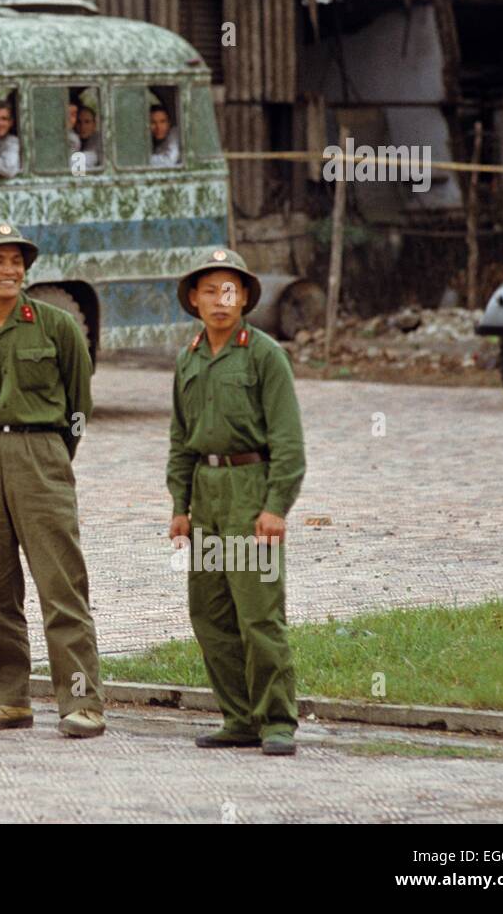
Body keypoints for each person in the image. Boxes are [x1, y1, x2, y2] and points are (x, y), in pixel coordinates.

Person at [0, 221, 105, 738]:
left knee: (61, 583)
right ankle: (7, 698)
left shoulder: (57, 326)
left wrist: (54, 456)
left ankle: (82, 703)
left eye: (17, 261)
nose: (10, 270)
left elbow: (79, 404)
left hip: (42, 454)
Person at [166, 246, 305, 755]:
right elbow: (181, 440)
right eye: (210, 290)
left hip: (251, 492)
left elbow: (288, 443)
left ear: (245, 296)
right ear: (194, 300)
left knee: (259, 613)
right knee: (210, 612)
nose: (221, 299)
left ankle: (276, 720)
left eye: (230, 289)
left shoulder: (265, 354)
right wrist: (179, 507)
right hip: (206, 495)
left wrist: (275, 507)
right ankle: (239, 717)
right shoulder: (189, 358)